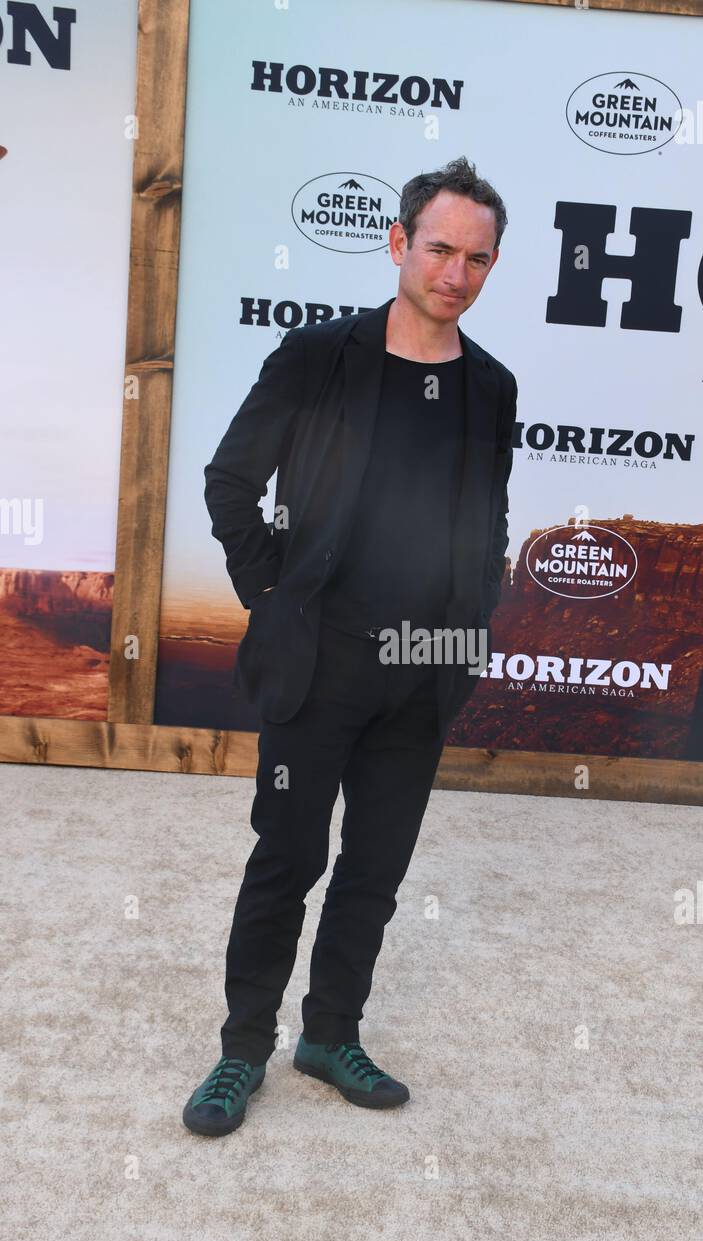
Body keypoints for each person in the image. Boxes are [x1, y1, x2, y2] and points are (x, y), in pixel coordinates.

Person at [183, 156, 518, 1137]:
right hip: (319, 662)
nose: (455, 273)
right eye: (440, 249)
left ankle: (329, 1034)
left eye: (477, 259)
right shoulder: (317, 356)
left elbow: (486, 526)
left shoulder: (489, 388)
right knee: (287, 859)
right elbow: (229, 481)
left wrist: (463, 643)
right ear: (398, 244)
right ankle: (242, 1049)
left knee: (373, 870)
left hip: (421, 680)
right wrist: (275, 597)